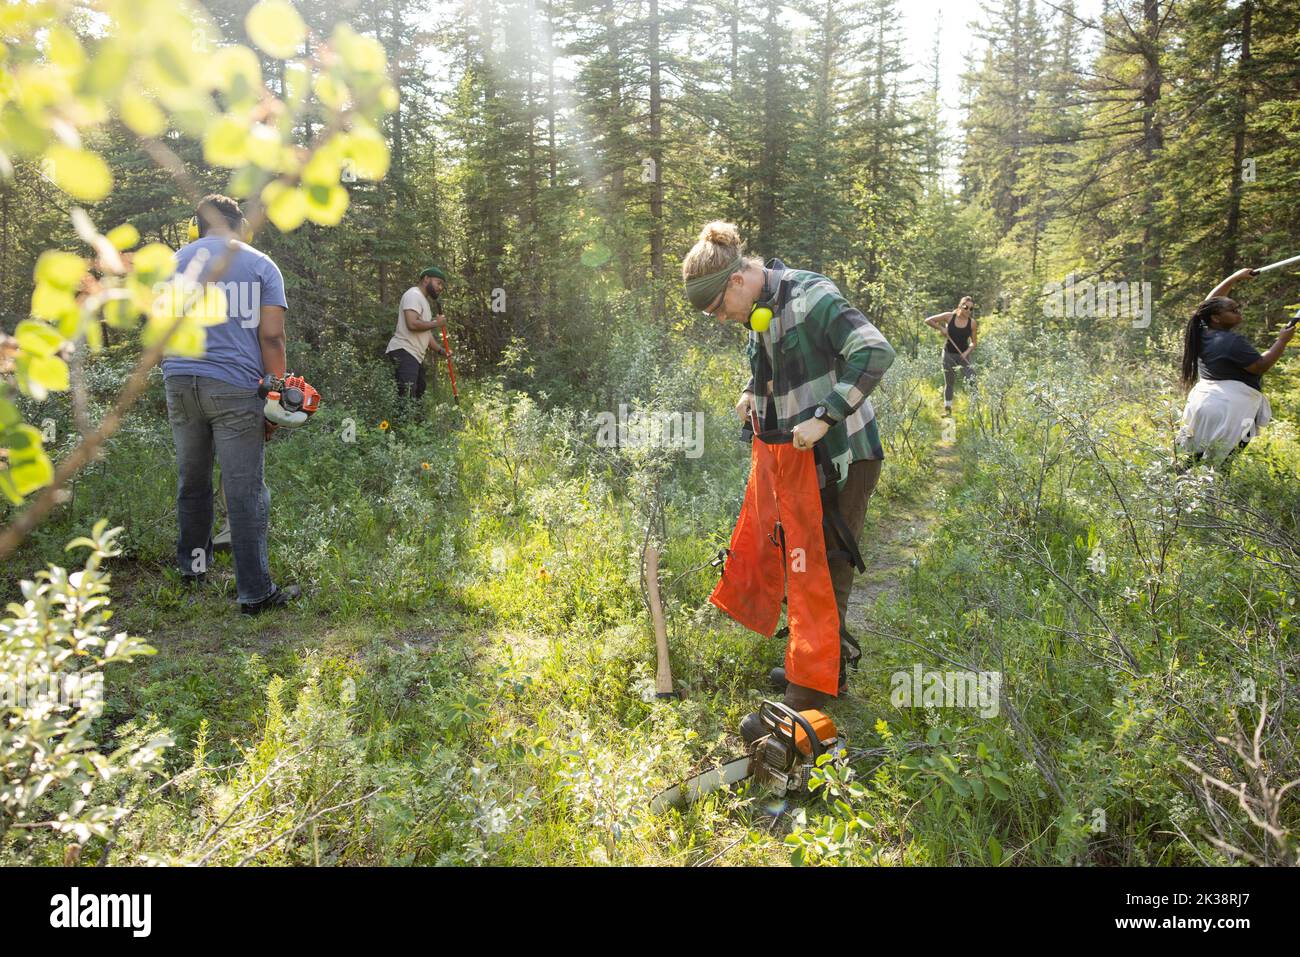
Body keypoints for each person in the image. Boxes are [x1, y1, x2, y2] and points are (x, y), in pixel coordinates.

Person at [683, 221, 896, 711]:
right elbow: (774, 371)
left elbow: (875, 349)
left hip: (846, 454)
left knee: (828, 563)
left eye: (717, 308)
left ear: (737, 280)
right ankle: (813, 658)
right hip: (798, 463)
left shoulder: (811, 295)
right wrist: (748, 393)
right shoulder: (757, 313)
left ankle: (821, 679)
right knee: (796, 556)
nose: (719, 319)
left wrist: (826, 416)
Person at [162, 194, 300, 615]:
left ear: (196, 228)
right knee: (244, 490)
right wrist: (275, 397)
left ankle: (193, 570)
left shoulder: (171, 263)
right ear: (241, 226)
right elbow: (272, 337)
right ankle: (255, 593)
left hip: (180, 381)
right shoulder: (260, 264)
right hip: (236, 388)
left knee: (193, 480)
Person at [1178, 268, 1294, 466]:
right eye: (1233, 310)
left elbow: (1208, 304)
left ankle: (1179, 496)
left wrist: (1234, 278)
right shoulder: (1231, 341)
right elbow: (1260, 366)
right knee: (1221, 465)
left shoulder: (1201, 332)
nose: (1238, 312)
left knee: (1189, 460)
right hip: (1230, 409)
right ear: (1216, 317)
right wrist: (1282, 341)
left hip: (1201, 404)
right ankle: (1213, 496)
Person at [385, 266, 449, 414]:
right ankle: (400, 433)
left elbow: (426, 335)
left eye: (442, 286)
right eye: (438, 283)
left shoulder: (423, 301)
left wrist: (441, 351)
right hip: (404, 351)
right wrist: (436, 323)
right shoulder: (413, 294)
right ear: (426, 279)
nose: (440, 288)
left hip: (413, 355)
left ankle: (416, 431)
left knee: (418, 393)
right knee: (407, 396)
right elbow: (412, 324)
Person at [924, 295, 977, 413]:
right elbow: (928, 320)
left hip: (964, 355)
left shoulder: (972, 323)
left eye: (971, 309)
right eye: (966, 307)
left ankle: (975, 409)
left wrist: (966, 352)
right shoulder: (949, 317)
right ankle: (947, 409)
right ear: (960, 306)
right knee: (949, 382)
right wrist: (941, 328)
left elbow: (974, 343)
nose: (968, 310)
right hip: (948, 354)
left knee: (972, 380)